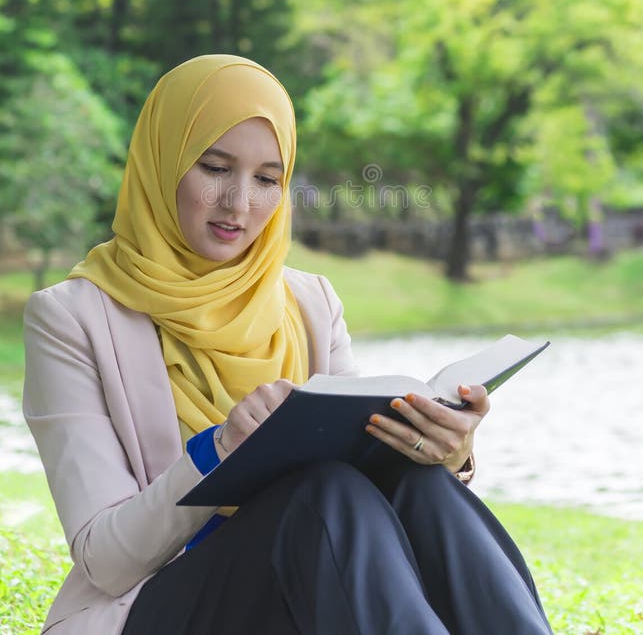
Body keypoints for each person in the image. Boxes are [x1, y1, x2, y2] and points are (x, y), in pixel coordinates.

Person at [23, 55, 553, 635]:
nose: (239, 203)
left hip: (316, 586)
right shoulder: (72, 318)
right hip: (160, 607)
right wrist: (222, 449)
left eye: (267, 179)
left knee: (412, 479)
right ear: (162, 161)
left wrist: (445, 451)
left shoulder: (310, 303)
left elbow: (375, 484)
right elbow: (107, 558)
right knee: (320, 493)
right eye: (215, 167)